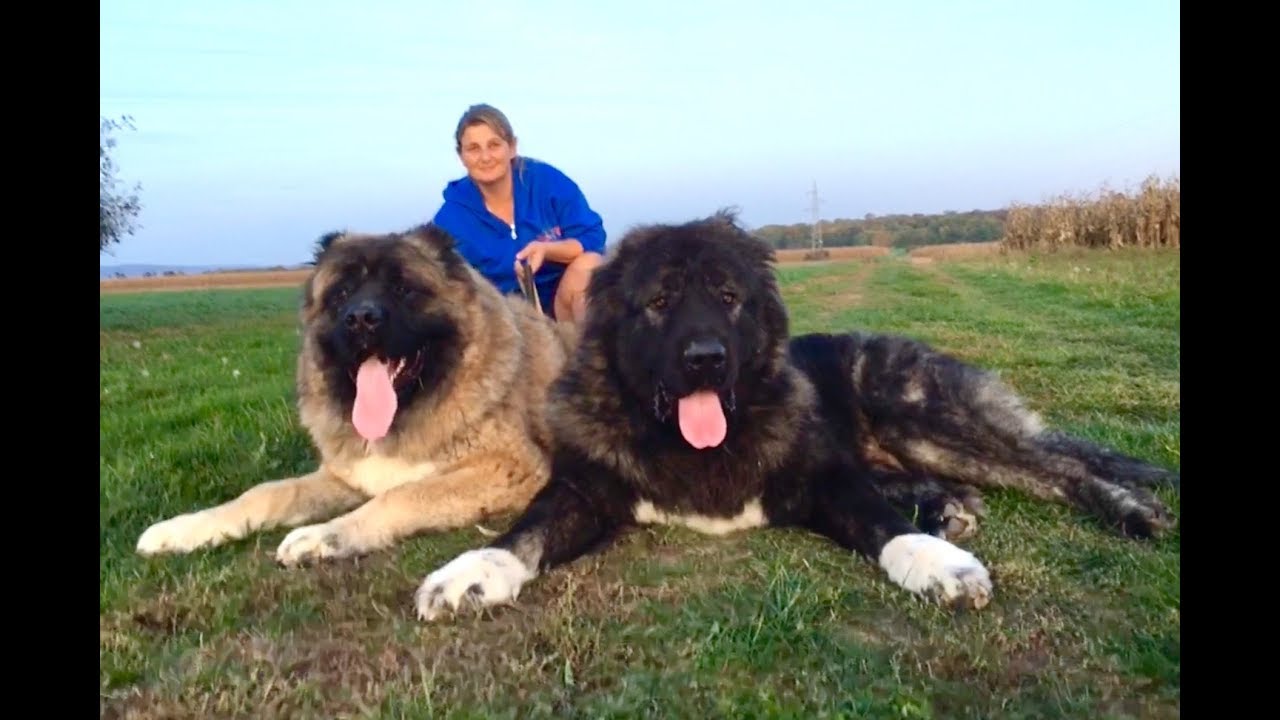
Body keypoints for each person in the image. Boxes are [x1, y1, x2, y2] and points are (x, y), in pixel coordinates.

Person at [430, 103, 606, 323]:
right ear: (461, 156)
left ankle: (590, 353)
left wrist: (548, 250)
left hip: (562, 309)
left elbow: (593, 237)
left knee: (589, 266)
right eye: (473, 148)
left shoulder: (548, 182)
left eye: (494, 145)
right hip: (502, 323)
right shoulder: (449, 220)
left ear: (511, 147)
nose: (485, 157)